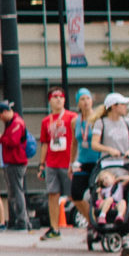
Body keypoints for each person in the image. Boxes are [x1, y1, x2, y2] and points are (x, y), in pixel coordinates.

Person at [39, 90, 78, 231]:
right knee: (53, 194)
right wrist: (42, 164)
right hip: (52, 162)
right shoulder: (46, 121)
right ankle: (54, 227)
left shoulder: (72, 117)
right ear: (50, 100)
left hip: (67, 162)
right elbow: (44, 143)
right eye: (55, 97)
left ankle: (91, 222)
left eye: (61, 97)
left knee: (73, 195)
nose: (58, 99)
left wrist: (75, 161)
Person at [0, 100, 34, 231]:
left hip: (16, 161)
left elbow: (13, 141)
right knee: (14, 192)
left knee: (17, 192)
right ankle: (20, 220)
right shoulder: (11, 123)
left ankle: (22, 221)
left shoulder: (16, 123)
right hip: (12, 161)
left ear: (5, 112)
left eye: (0, 115)